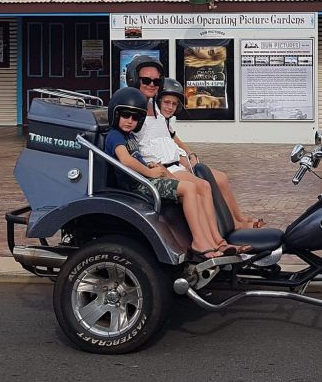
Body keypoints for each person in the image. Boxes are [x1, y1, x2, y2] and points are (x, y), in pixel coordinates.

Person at [125, 55, 265, 230]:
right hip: (164, 165)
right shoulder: (134, 111)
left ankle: (238, 220)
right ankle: (219, 231)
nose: (151, 84)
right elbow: (131, 145)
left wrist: (189, 153)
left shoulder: (157, 111)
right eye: (146, 80)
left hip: (177, 162)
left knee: (221, 179)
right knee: (202, 186)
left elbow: (171, 137)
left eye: (155, 81)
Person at [103, 87, 242, 261]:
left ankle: (213, 240)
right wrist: (151, 172)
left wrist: (152, 166)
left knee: (197, 189)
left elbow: (136, 157)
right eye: (125, 115)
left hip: (144, 178)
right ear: (115, 115)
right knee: (189, 189)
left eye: (135, 118)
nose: (130, 121)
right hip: (138, 184)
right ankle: (200, 241)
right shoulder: (115, 136)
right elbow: (125, 160)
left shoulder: (129, 136)